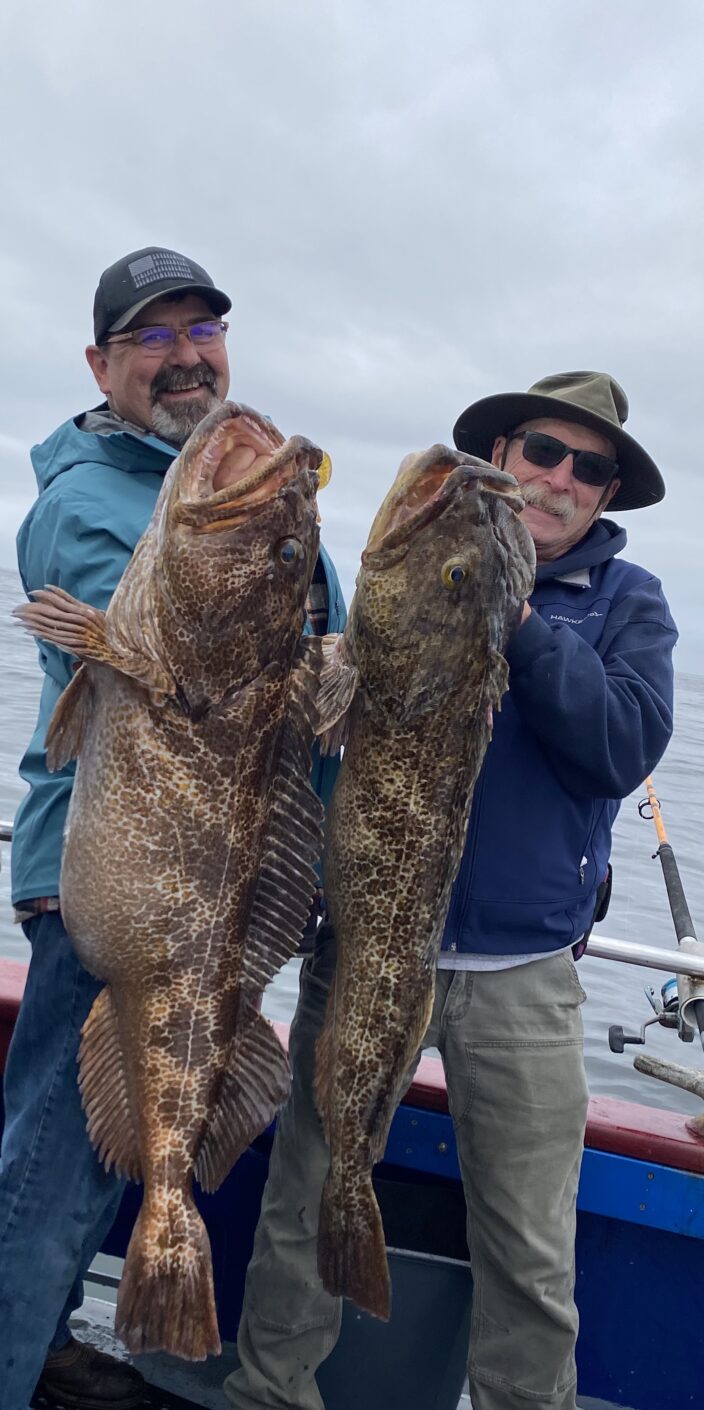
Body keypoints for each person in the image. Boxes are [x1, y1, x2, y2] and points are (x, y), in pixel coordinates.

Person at [0, 246, 346, 1410]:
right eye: (151, 337)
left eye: (203, 329)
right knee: (49, 1184)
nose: (186, 355)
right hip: (105, 889)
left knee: (104, 1161)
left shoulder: (210, 490)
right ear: (100, 366)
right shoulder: (85, 501)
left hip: (217, 883)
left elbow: (312, 655)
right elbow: (178, 658)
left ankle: (31, 1348)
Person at [226, 371, 677, 1410]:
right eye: (540, 452)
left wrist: (514, 621)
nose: (559, 479)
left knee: (529, 1247)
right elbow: (305, 701)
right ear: (505, 454)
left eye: (589, 467)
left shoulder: (628, 605)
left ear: (607, 492)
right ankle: (267, 1393)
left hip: (521, 978)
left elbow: (621, 743)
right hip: (368, 944)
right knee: (305, 1197)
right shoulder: (418, 565)